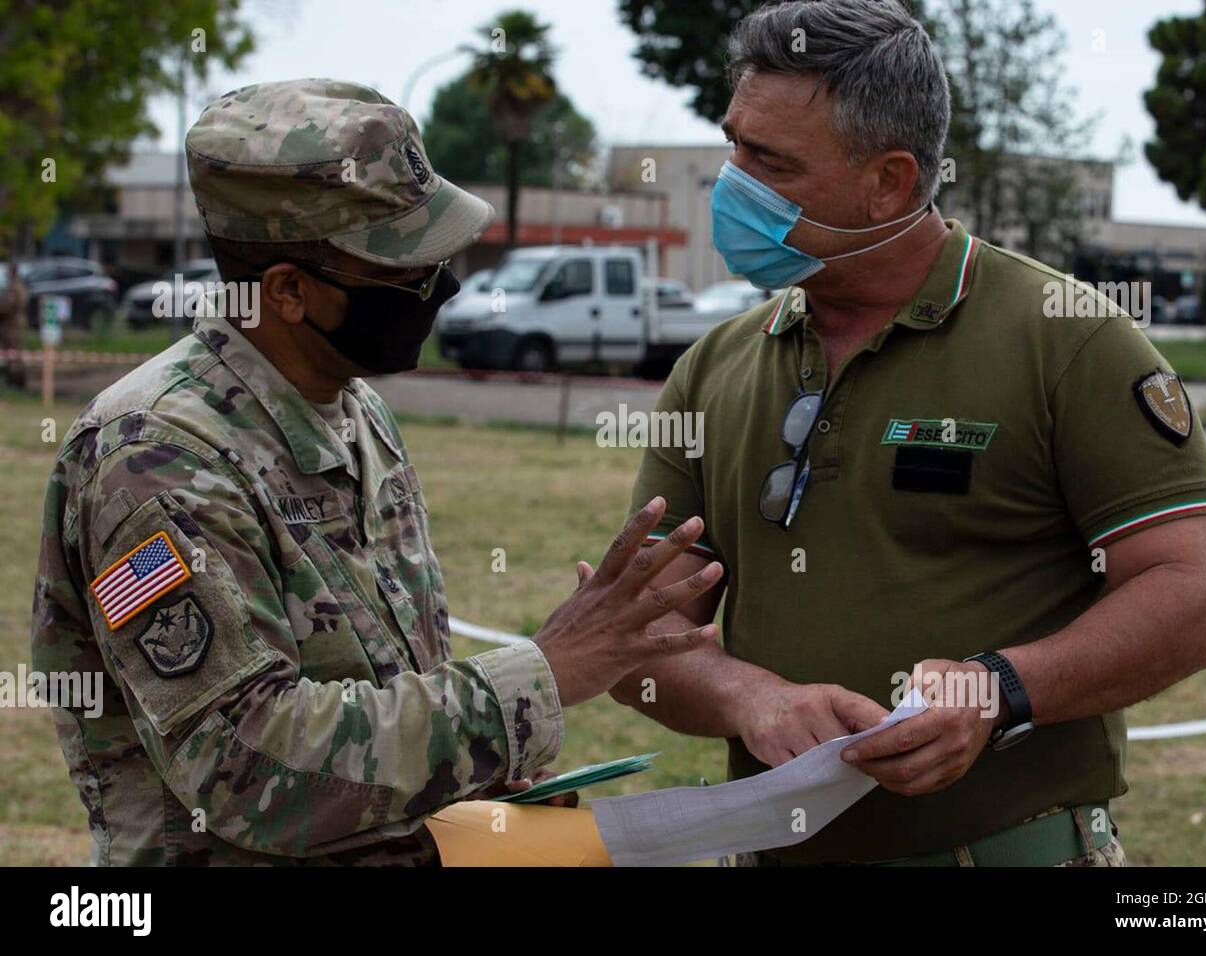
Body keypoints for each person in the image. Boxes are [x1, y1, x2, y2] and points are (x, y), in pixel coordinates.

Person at [30, 78, 723, 866]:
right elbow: (247, 769)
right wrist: (536, 678)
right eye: (407, 273)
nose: (444, 289)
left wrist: (488, 791)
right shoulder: (152, 458)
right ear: (289, 292)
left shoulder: (353, 409)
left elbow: (385, 687)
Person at [611, 0, 1206, 867]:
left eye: (769, 161)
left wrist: (1001, 691)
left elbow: (1194, 602)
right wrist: (746, 696)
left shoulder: (1067, 339)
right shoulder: (713, 367)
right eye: (734, 145)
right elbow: (639, 642)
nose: (732, 182)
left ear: (889, 182)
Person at [0, 260, 28, 388]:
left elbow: (8, 306)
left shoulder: (14, 287)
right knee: (13, 353)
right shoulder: (18, 285)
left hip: (12, 325)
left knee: (13, 353)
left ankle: (15, 381)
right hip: (14, 324)